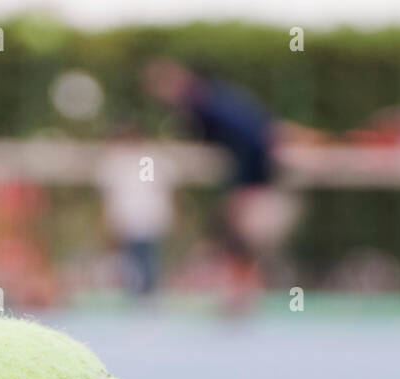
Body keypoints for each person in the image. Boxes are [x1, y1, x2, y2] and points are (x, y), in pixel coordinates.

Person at [140, 58, 301, 312]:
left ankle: (241, 296)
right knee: (235, 240)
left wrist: (244, 185)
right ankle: (239, 295)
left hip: (255, 184)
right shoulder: (210, 101)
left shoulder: (210, 104)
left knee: (239, 240)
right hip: (254, 181)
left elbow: (254, 139)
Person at [97, 123, 175, 297]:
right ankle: (141, 295)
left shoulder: (138, 161)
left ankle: (144, 296)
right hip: (136, 219)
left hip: (142, 219)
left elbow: (148, 191)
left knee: (142, 264)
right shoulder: (140, 160)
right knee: (135, 265)